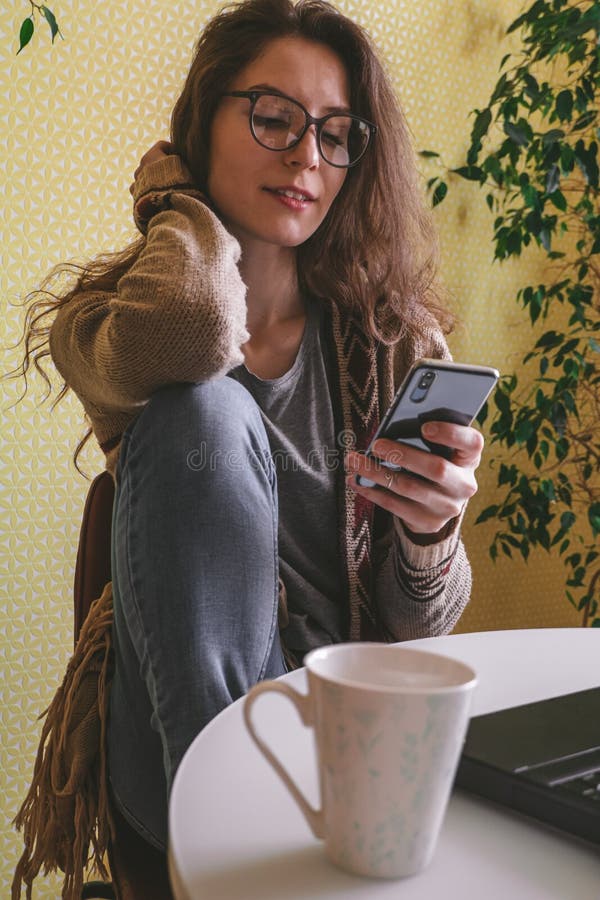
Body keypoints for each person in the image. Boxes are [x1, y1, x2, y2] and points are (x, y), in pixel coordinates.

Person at [14, 0, 483, 886]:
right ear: (200, 121)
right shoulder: (110, 325)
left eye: (337, 133)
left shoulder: (396, 344)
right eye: (274, 117)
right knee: (203, 413)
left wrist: (429, 535)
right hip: (179, 750)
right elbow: (193, 332)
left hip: (340, 742)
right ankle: (236, 839)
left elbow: (420, 623)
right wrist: (174, 204)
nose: (308, 155)